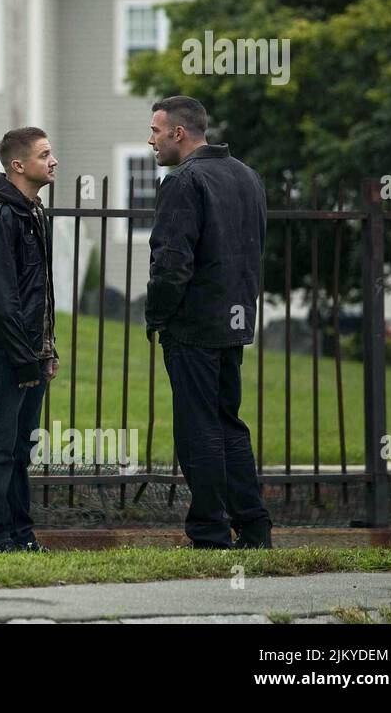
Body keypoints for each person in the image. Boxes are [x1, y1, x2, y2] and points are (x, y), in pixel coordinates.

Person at [145, 95, 273, 549]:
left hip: (193, 325)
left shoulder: (183, 181)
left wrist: (157, 313)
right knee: (228, 423)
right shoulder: (247, 177)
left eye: (157, 130)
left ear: (179, 133)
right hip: (234, 319)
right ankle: (254, 527)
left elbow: (172, 261)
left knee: (198, 426)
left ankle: (210, 531)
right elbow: (253, 251)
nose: (152, 139)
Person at [0, 126, 59, 553]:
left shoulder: (32, 212)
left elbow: (38, 291)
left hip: (30, 352)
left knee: (21, 448)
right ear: (18, 165)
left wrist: (47, 349)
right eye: (44, 155)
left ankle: (21, 535)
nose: (53, 160)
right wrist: (24, 358)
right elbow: (2, 299)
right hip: (8, 352)